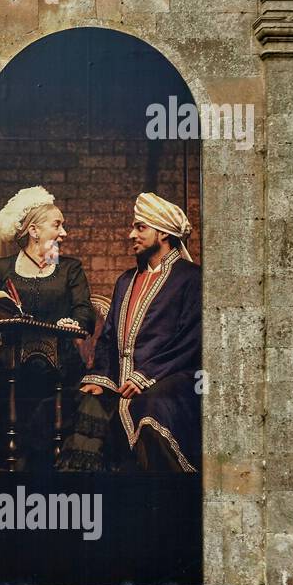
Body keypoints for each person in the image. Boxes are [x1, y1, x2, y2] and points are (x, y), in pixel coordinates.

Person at [59, 192, 202, 473]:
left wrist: (145, 376)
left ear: (162, 233)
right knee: (88, 402)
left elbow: (191, 340)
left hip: (171, 378)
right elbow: (108, 338)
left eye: (140, 227)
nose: (130, 234)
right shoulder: (126, 280)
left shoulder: (190, 278)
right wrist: (101, 377)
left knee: (150, 408)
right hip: (121, 381)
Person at [0, 187, 95, 469]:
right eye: (57, 224)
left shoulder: (70, 269)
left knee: (44, 380)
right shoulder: (1, 269)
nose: (64, 232)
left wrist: (74, 322)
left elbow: (84, 313)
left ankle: (40, 467)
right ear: (34, 231)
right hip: (8, 364)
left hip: (59, 364)